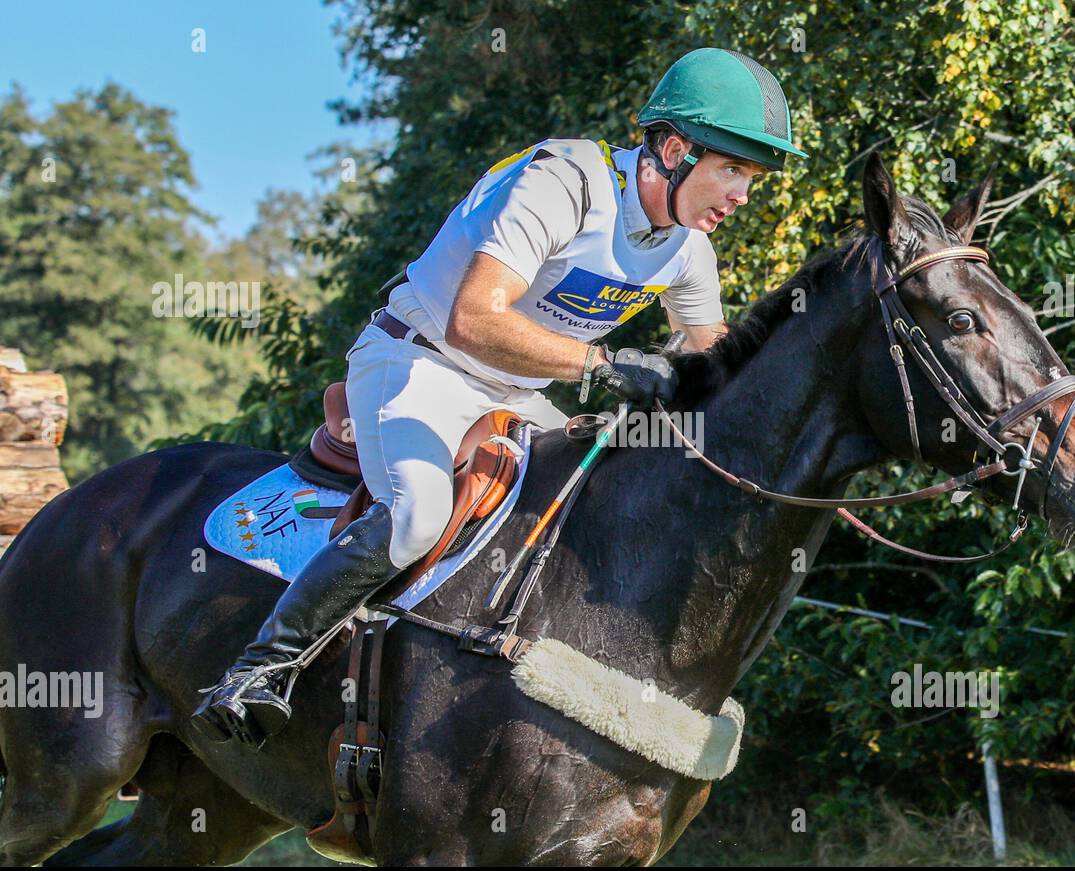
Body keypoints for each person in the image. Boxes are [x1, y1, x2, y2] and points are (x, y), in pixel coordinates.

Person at [191, 46, 807, 748]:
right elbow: (474, 319)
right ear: (672, 149)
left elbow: (714, 361)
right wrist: (603, 364)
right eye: (732, 170)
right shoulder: (565, 182)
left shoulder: (688, 250)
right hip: (419, 361)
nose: (741, 197)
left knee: (597, 514)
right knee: (419, 516)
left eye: (750, 178)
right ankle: (260, 666)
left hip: (518, 395)